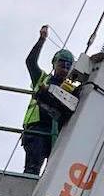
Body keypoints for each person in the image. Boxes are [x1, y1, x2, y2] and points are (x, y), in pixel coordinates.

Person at [21, 25, 75, 175]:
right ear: (54, 63)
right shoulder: (43, 79)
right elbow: (30, 62)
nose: (65, 66)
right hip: (37, 129)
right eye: (62, 62)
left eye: (69, 64)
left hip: (57, 132)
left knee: (54, 174)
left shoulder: (71, 89)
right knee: (32, 168)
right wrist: (42, 40)